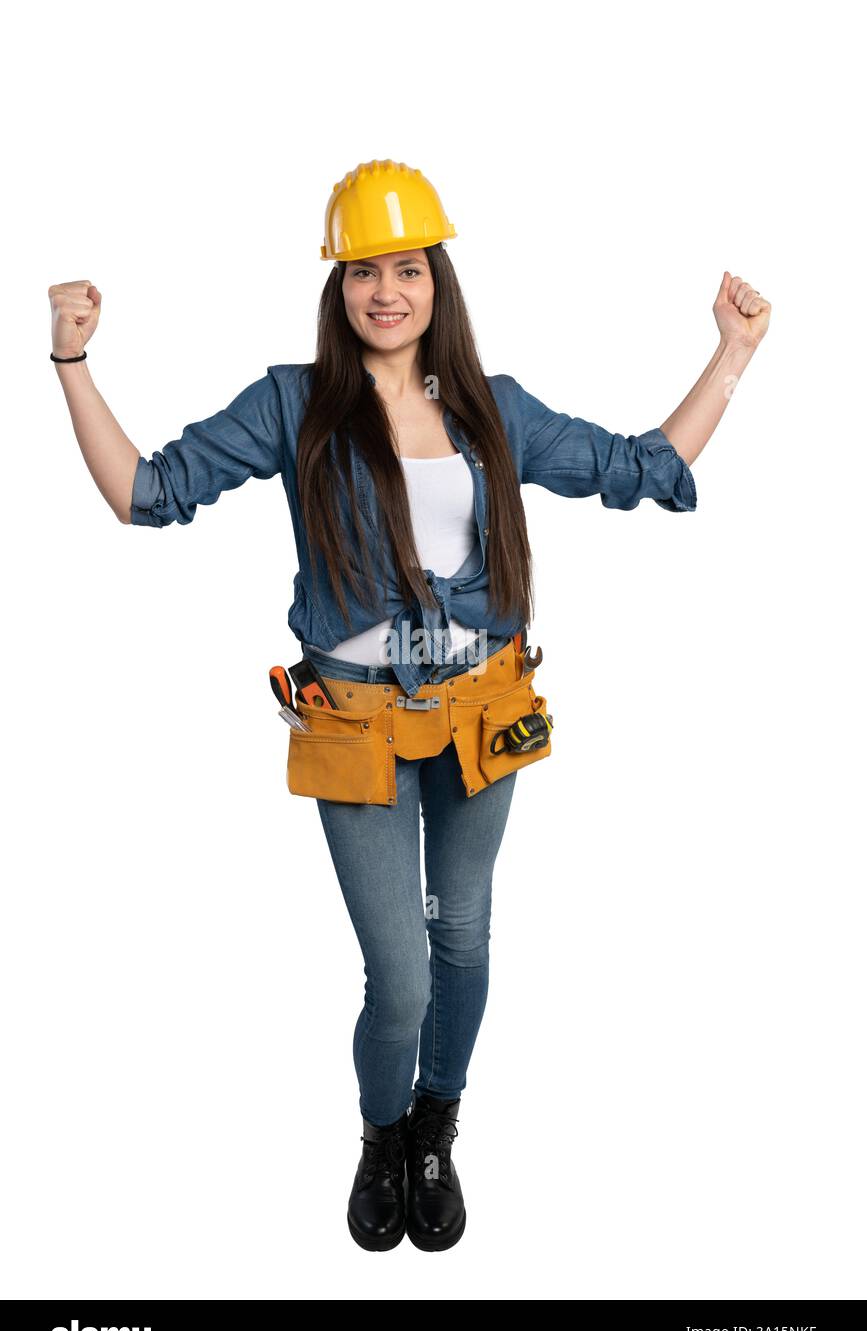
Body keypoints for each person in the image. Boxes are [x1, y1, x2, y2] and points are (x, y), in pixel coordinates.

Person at [48, 158, 771, 1254]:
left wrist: (733, 352)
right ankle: (382, 1133)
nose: (386, 290)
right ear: (337, 286)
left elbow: (640, 467)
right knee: (401, 971)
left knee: (465, 941)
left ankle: (438, 1124)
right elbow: (145, 493)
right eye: (362, 271)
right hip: (353, 720)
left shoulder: (494, 408)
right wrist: (72, 357)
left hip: (484, 711)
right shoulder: (295, 403)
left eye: (407, 266)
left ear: (438, 277)